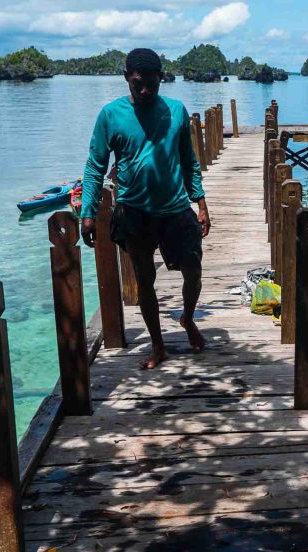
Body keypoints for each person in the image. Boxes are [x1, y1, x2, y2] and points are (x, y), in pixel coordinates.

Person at [80, 47, 211, 370]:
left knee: (194, 272)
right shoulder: (110, 115)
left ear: (161, 79)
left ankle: (188, 318)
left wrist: (202, 204)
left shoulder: (177, 111)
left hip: (175, 209)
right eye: (138, 83)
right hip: (133, 212)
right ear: (126, 78)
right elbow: (96, 166)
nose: (145, 91)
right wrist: (87, 212)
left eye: (152, 83)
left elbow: (189, 161)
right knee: (144, 279)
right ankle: (157, 343)